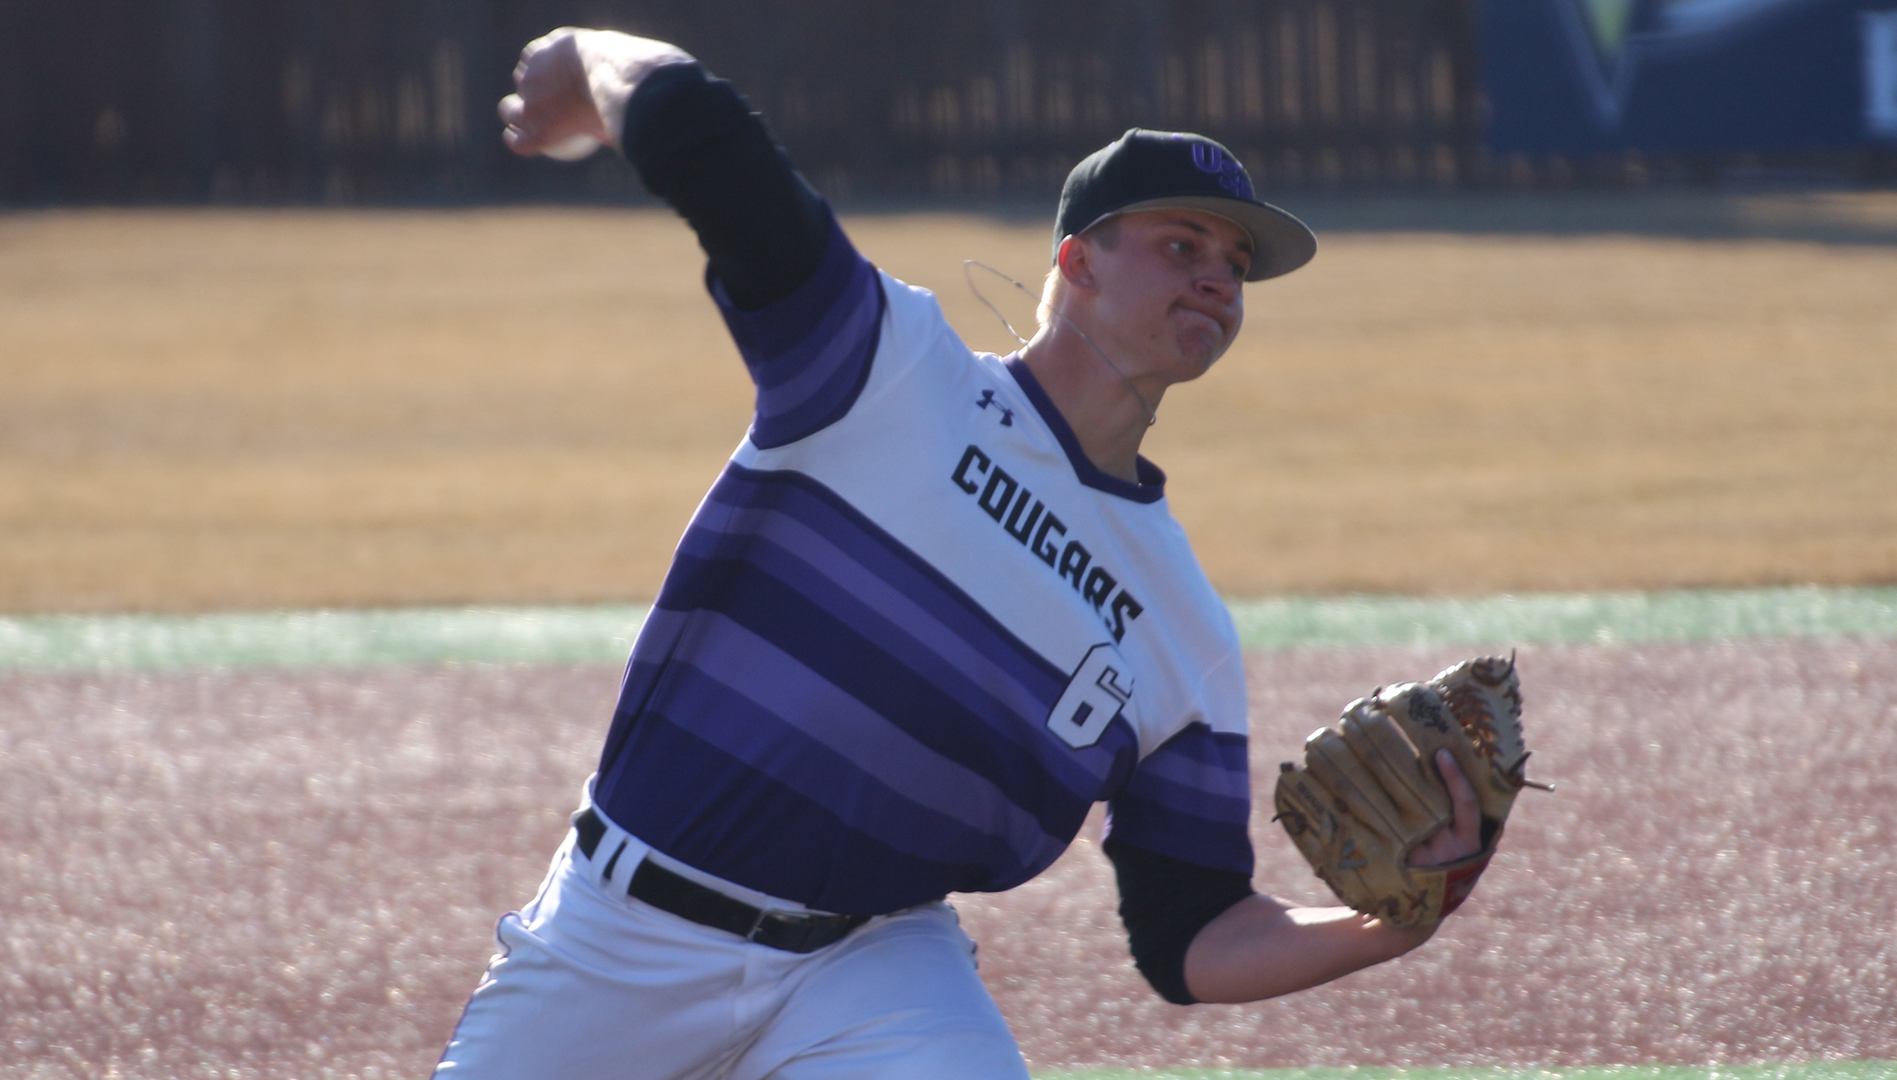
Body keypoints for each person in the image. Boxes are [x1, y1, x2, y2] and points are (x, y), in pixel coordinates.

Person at [435, 27, 1488, 1079]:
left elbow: (1195, 937)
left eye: (1235, 265)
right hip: (622, 941)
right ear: (1076, 260)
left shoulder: (1186, 632)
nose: (1218, 280)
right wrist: (591, 61)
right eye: (1182, 245)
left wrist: (1387, 924)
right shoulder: (887, 369)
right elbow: (719, 153)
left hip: (872, 968)